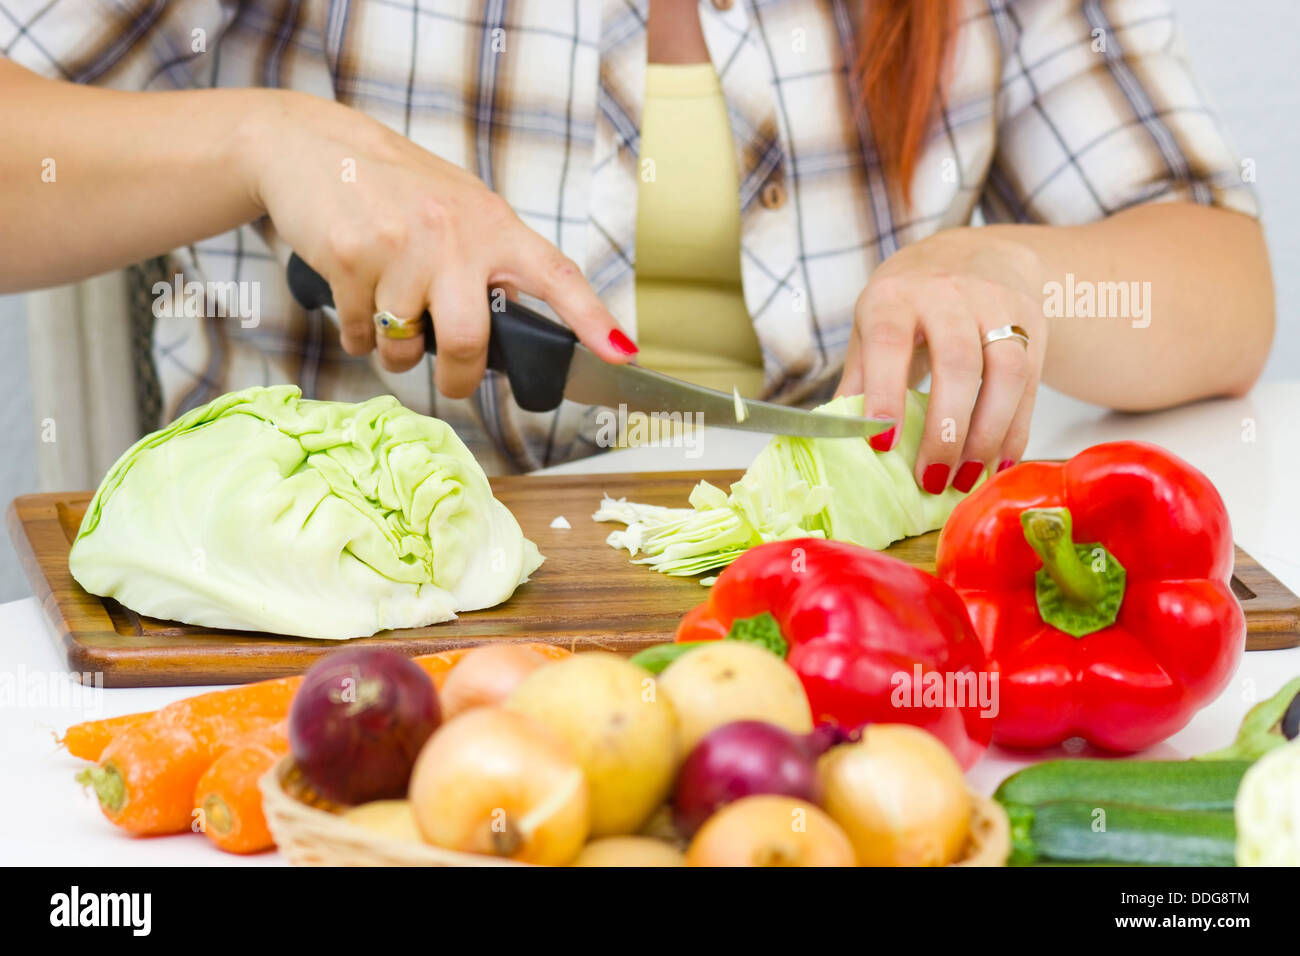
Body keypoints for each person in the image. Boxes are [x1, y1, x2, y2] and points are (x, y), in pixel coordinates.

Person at [0, 0, 1273, 488]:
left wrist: (1017, 270)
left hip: (820, 651)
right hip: (337, 668)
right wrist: (258, 141)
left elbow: (1224, 285)